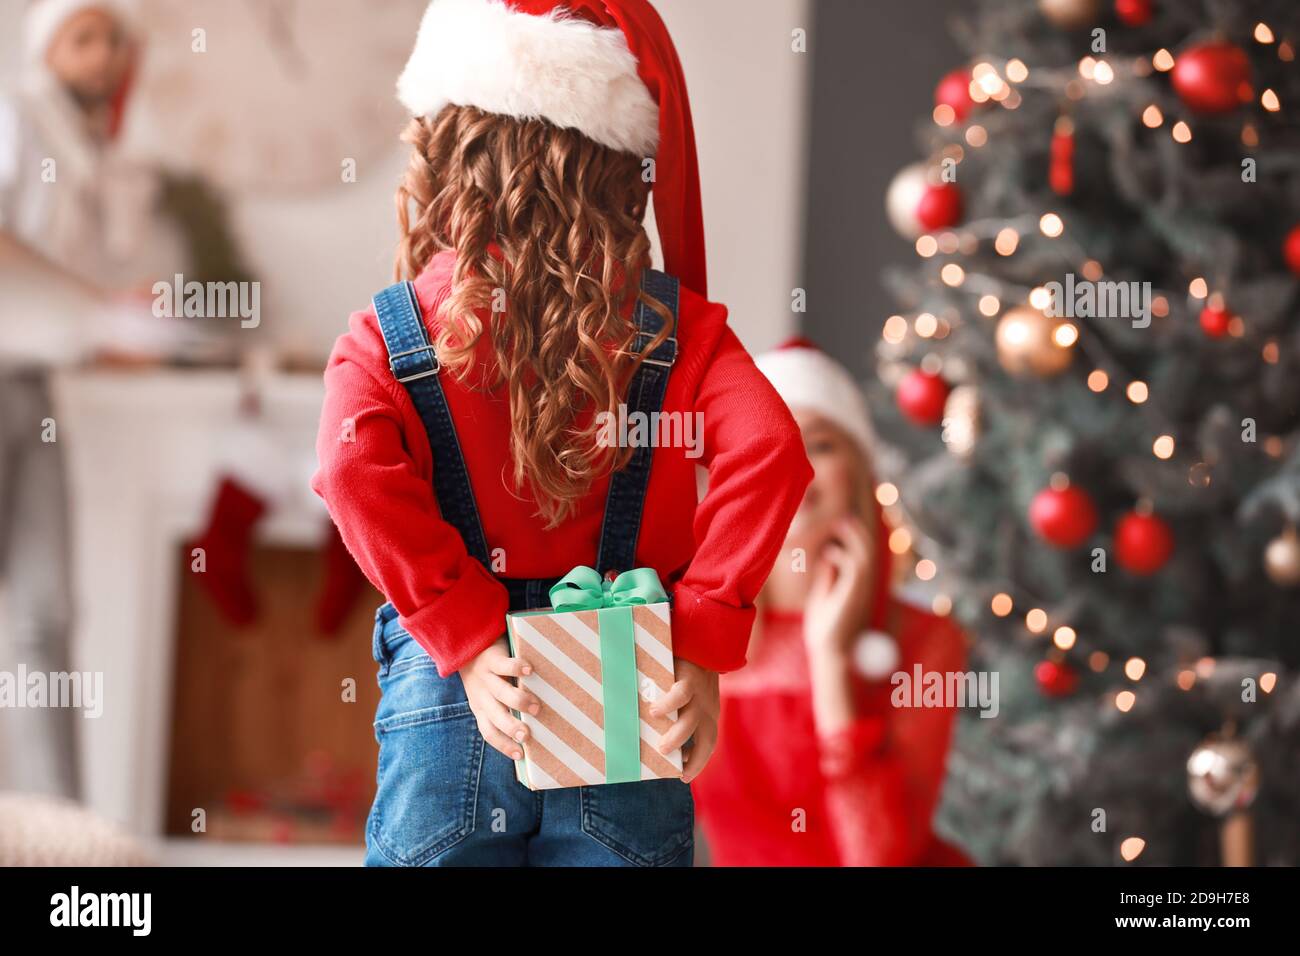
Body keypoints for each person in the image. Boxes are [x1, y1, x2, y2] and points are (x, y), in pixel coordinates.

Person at [312, 0, 814, 867]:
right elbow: (769, 448)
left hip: (460, 694)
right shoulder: (677, 331)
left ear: (444, 155)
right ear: (622, 172)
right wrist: (695, 633)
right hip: (621, 684)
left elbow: (349, 468)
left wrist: (465, 630)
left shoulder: (391, 334)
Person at [691, 339, 974, 866]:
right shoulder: (698, 633)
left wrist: (830, 662)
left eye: (819, 444)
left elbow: (879, 856)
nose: (794, 466)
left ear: (859, 473)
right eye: (769, 444)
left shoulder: (928, 640)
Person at [0, 0, 159, 798]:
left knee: (46, 612)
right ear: (48, 48)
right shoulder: (13, 115)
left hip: (35, 383)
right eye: (83, 39)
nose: (102, 57)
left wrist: (104, 324)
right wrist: (95, 307)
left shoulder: (92, 150)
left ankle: (59, 828)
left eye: (112, 42)